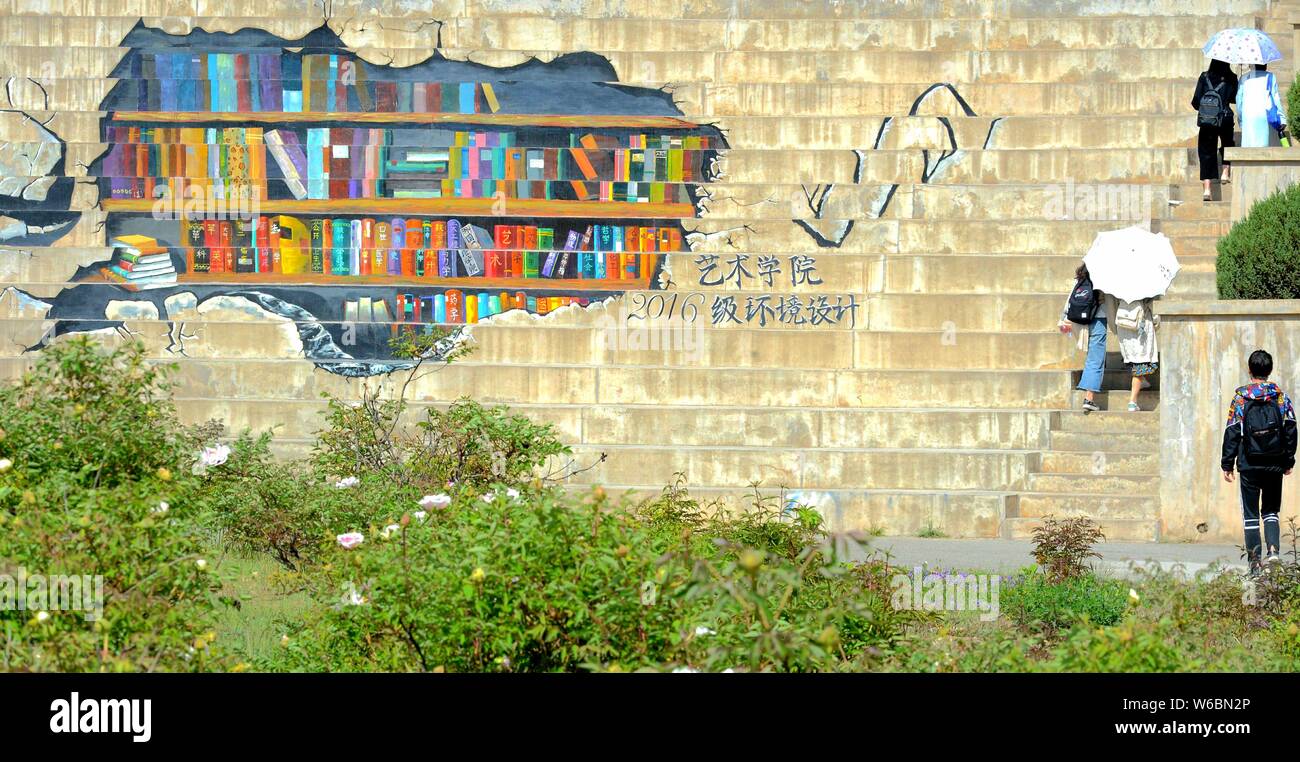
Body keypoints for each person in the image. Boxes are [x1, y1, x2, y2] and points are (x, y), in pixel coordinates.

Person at [1221, 349, 1298, 575]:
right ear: (1270, 370)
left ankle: (1255, 563)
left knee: (1251, 514)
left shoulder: (1240, 399)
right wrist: (1288, 460)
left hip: (1249, 464)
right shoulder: (1281, 397)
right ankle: (1273, 553)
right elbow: (1291, 430)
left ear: (1249, 370)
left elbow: (1232, 432)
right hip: (1274, 463)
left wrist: (1227, 464)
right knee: (1272, 510)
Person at [1058, 264, 1107, 413]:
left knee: (1092, 355)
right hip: (1098, 320)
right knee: (1095, 359)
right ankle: (1089, 398)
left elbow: (1070, 300)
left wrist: (1063, 318)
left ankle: (1089, 391)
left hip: (1079, 321)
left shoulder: (1081, 279)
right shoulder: (1104, 277)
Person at [1192, 59, 1238, 201]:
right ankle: (1225, 172)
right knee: (1227, 143)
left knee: (1206, 151)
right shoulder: (1232, 77)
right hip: (1225, 117)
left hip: (1208, 120)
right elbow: (1234, 99)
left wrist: (1207, 108)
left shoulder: (1204, 77)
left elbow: (1195, 101)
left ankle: (1207, 189)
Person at [1109, 295, 1158, 412]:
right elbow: (1155, 313)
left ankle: (1143, 381)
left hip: (1123, 324)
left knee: (1132, 359)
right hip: (1140, 326)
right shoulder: (1147, 292)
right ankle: (1133, 401)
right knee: (1140, 362)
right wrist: (1156, 322)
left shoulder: (1119, 293)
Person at [1237, 63, 1287, 148]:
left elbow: (1239, 100)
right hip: (1265, 114)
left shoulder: (1244, 78)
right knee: (1265, 147)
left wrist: (1241, 120)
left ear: (1251, 65)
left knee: (1248, 147)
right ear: (1265, 65)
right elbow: (1275, 98)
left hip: (1248, 115)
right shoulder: (1270, 76)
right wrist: (1282, 119)